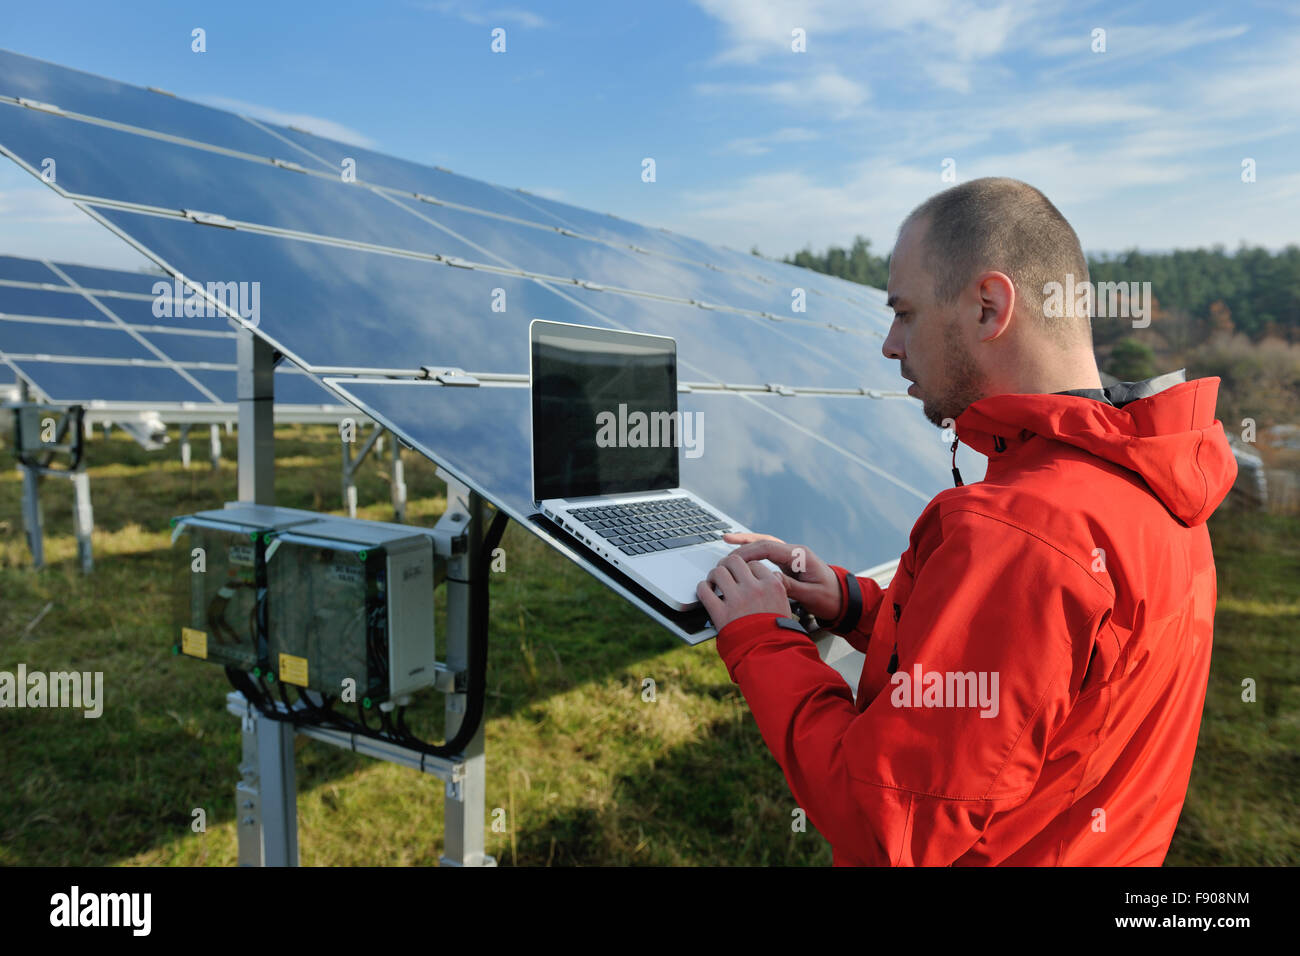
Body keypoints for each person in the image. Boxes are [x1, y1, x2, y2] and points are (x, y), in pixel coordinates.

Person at [699, 177, 1237, 866]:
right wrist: (851, 601)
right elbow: (1026, 681)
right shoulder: (1149, 483)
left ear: (988, 307)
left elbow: (880, 821)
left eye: (904, 313)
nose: (890, 345)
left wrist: (761, 640)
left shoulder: (1023, 534)